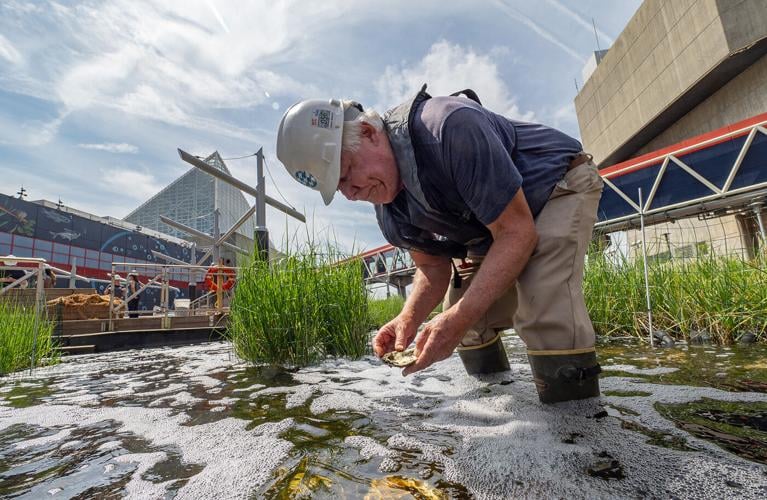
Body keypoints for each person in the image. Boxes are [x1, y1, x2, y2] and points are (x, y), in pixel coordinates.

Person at [276, 85, 604, 404]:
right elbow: (432, 267)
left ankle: (578, 437)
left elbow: (517, 232)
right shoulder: (389, 207)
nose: (351, 193)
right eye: (339, 188)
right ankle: (502, 412)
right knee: (468, 324)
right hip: (494, 228)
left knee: (542, 305)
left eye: (346, 174)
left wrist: (457, 319)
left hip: (556, 184)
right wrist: (408, 319)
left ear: (368, 133)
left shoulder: (448, 127)